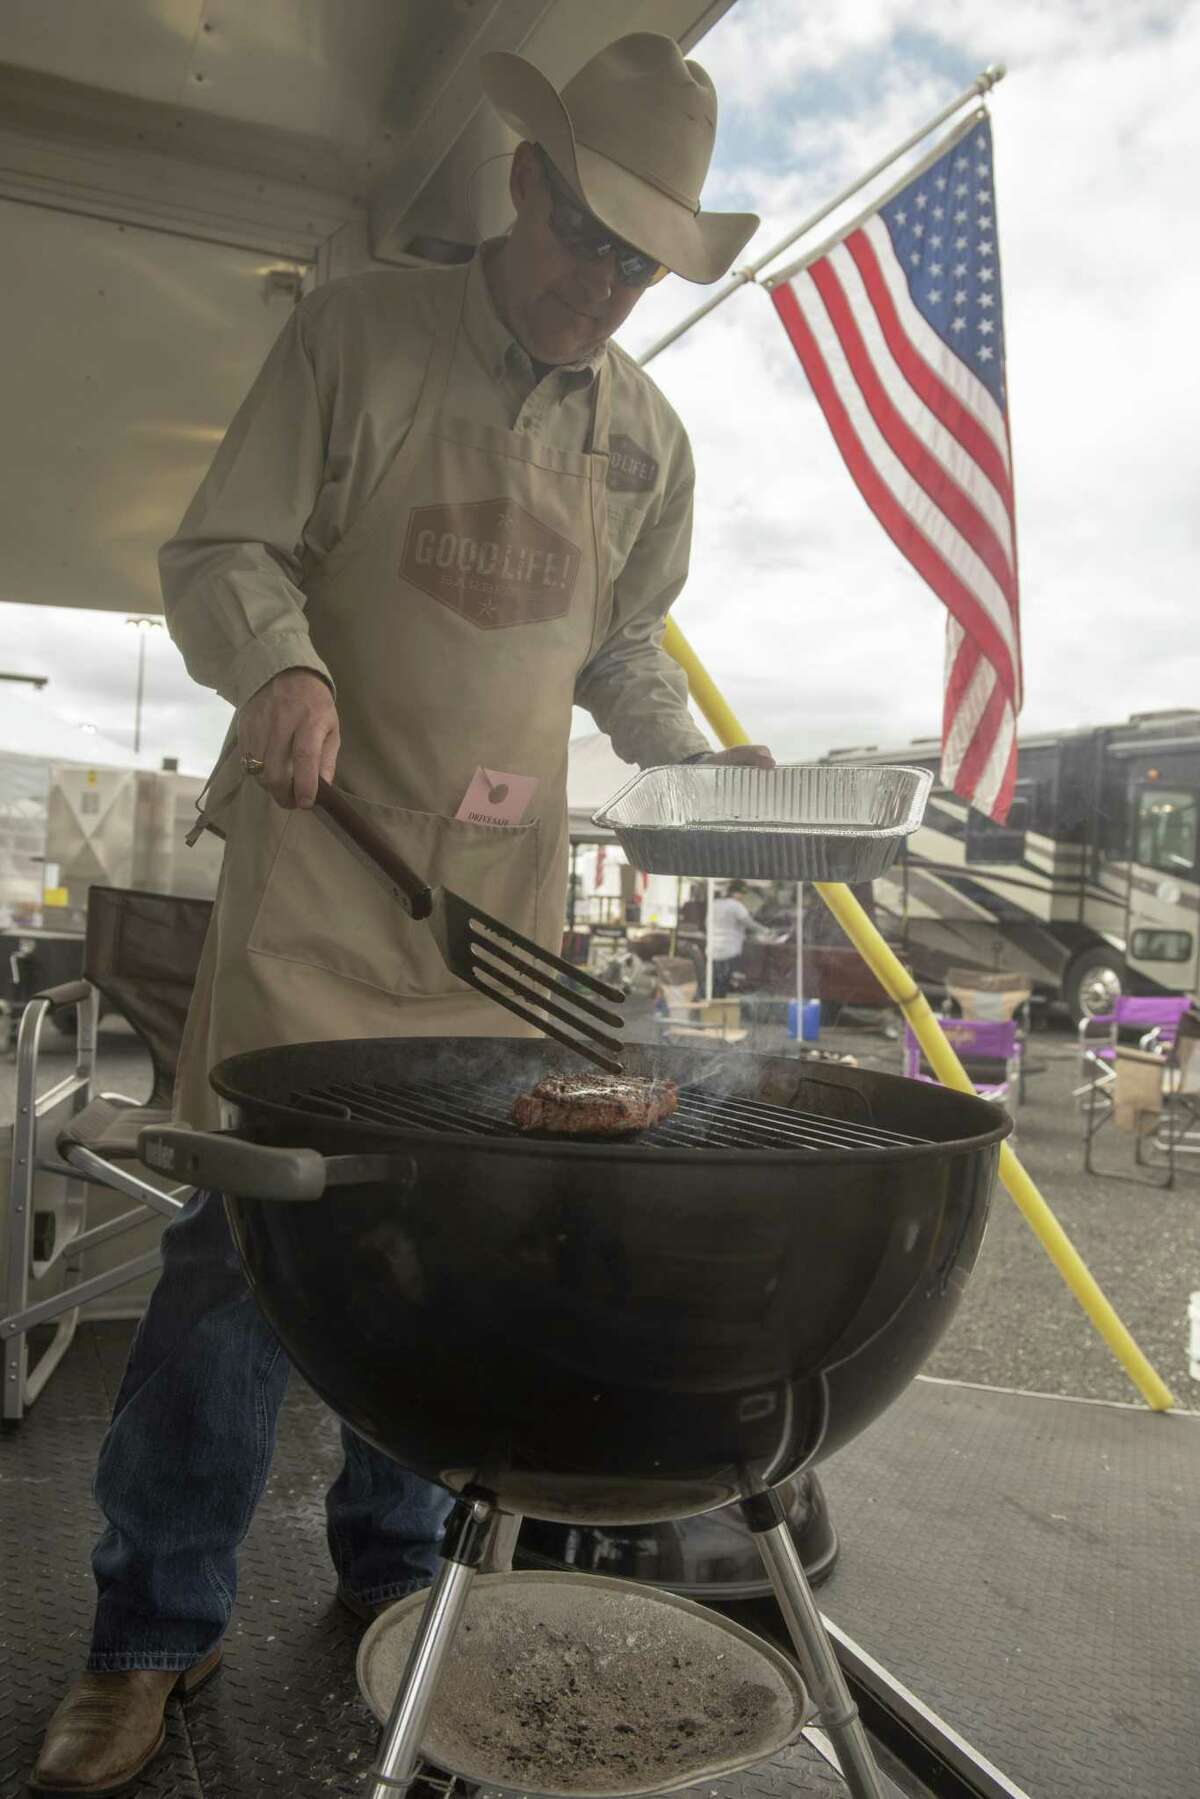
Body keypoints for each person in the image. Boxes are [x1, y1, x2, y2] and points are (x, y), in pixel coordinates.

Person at [32, 33, 777, 1795]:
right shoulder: (358, 329)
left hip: (488, 925)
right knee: (239, 1267)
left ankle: (401, 1589)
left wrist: (693, 783)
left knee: (442, 1271)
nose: (603, 290)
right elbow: (226, 551)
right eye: (590, 240)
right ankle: (145, 1636)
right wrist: (282, 667)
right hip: (316, 878)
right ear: (525, 182)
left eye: (638, 267)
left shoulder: (643, 439)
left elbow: (617, 655)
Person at [709, 880, 768, 996]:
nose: (743, 897)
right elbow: (750, 923)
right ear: (737, 893)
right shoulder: (736, 906)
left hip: (713, 950)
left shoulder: (715, 904)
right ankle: (722, 1005)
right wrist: (766, 930)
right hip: (729, 950)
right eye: (743, 894)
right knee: (726, 982)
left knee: (715, 982)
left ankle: (715, 1004)